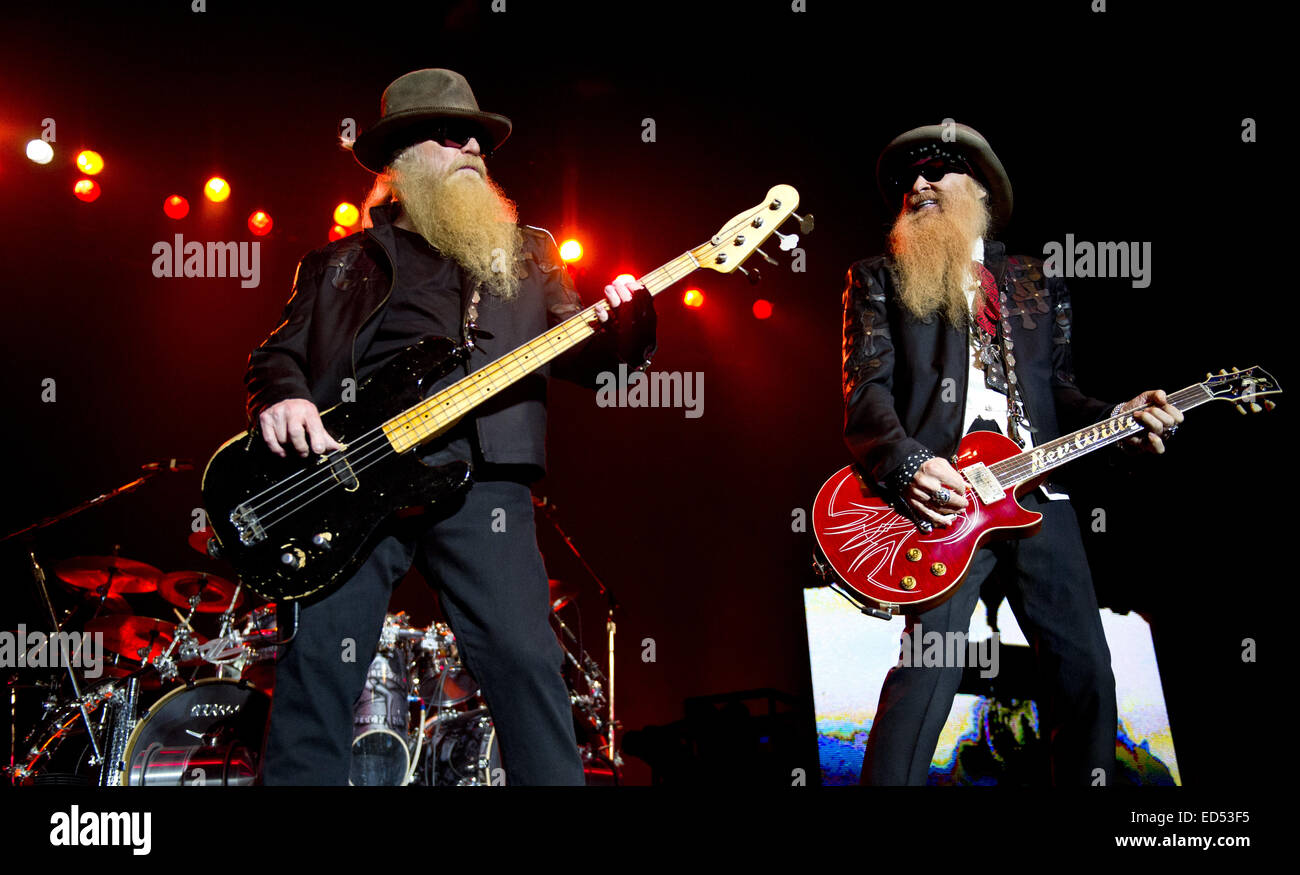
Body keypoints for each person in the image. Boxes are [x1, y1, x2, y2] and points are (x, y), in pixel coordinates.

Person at [243, 68, 656, 785]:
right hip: (350, 481)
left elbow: (593, 359)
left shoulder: (528, 253)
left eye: (478, 137)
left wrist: (629, 325)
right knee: (317, 667)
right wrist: (285, 396)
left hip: (483, 479)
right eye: (450, 133)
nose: (471, 144)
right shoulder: (339, 264)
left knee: (528, 662)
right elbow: (275, 357)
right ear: (401, 160)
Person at [840, 123, 1182, 786]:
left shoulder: (1035, 280)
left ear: (979, 186)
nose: (918, 185)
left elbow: (1059, 391)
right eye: (907, 179)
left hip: (1037, 494)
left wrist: (1118, 417)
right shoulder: (877, 277)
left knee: (1086, 675)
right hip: (945, 505)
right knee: (924, 676)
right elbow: (866, 396)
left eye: (936, 168)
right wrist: (911, 464)